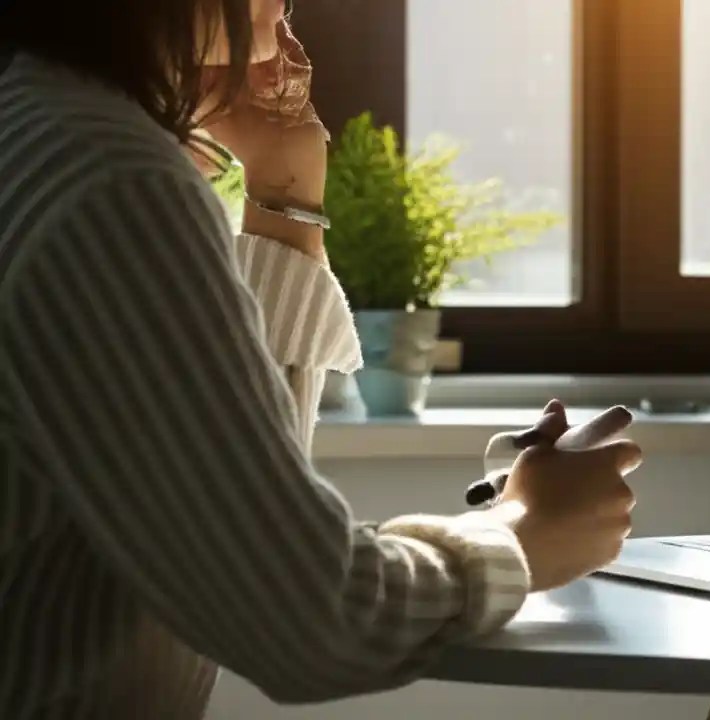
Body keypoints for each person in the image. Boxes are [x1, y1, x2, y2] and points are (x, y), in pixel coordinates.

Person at [0, 0, 640, 717]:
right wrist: (525, 531)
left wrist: (283, 187)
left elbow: (243, 532)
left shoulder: (42, 131)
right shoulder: (106, 178)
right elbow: (305, 614)